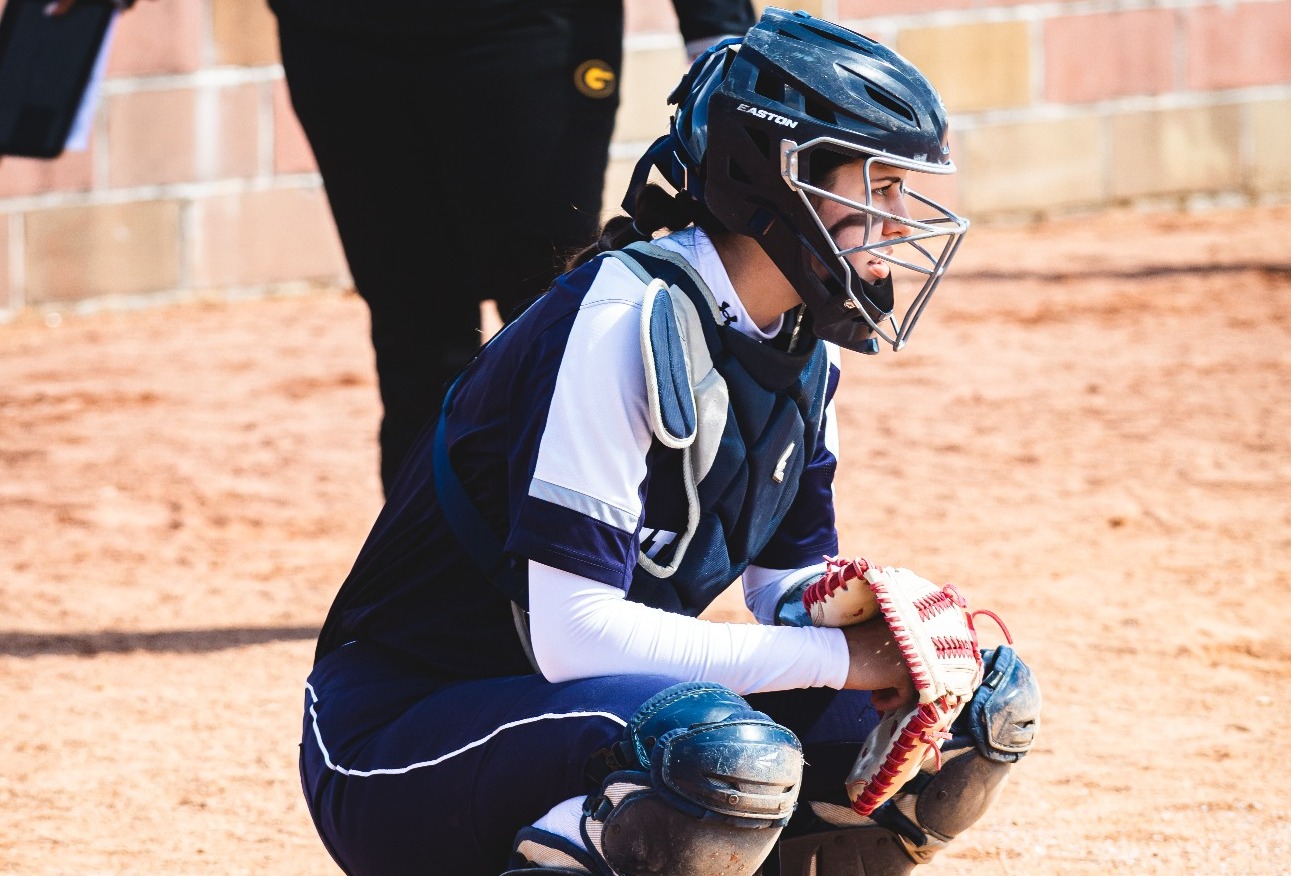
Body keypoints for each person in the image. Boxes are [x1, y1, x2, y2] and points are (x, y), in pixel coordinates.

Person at [298, 9, 1041, 876]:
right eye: (872, 189)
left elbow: (785, 590)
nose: (894, 223)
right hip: (400, 741)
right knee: (721, 759)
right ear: (776, 180)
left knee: (978, 709)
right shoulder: (627, 318)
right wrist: (840, 657)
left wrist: (883, 628)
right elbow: (575, 639)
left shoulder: (795, 345)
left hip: (569, 714)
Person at [267, 0, 757, 497]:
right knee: (411, 324)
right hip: (335, 33)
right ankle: (425, 554)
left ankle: (571, 546)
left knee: (549, 309)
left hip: (528, 30)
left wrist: (717, 34)